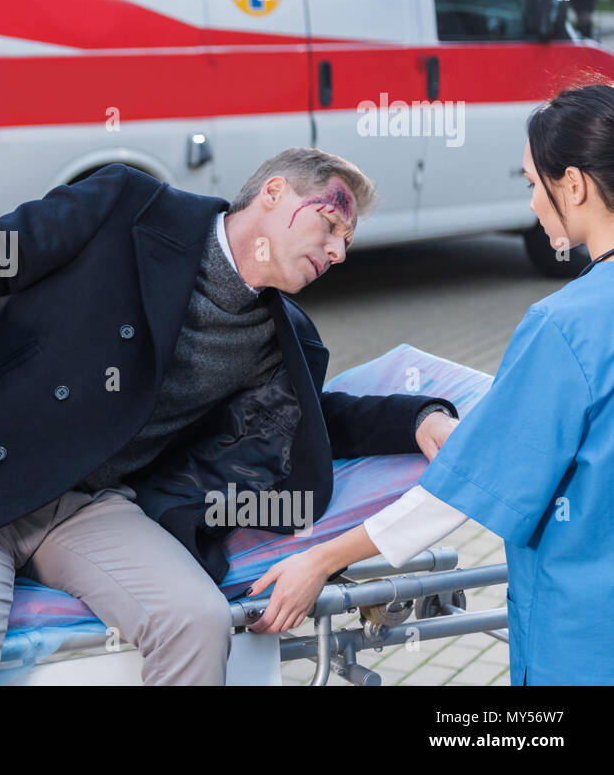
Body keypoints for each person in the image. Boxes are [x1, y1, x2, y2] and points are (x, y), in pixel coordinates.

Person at [0, 149, 460, 685]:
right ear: (274, 193)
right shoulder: (130, 206)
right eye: (331, 224)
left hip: (89, 507)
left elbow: (313, 421)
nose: (338, 251)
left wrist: (419, 418)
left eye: (346, 243)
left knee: (196, 621)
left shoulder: (282, 337)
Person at [247, 85, 614, 685]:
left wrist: (321, 559)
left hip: (587, 640)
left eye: (531, 184)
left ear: (571, 185)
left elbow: (464, 486)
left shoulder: (567, 327)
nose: (531, 205)